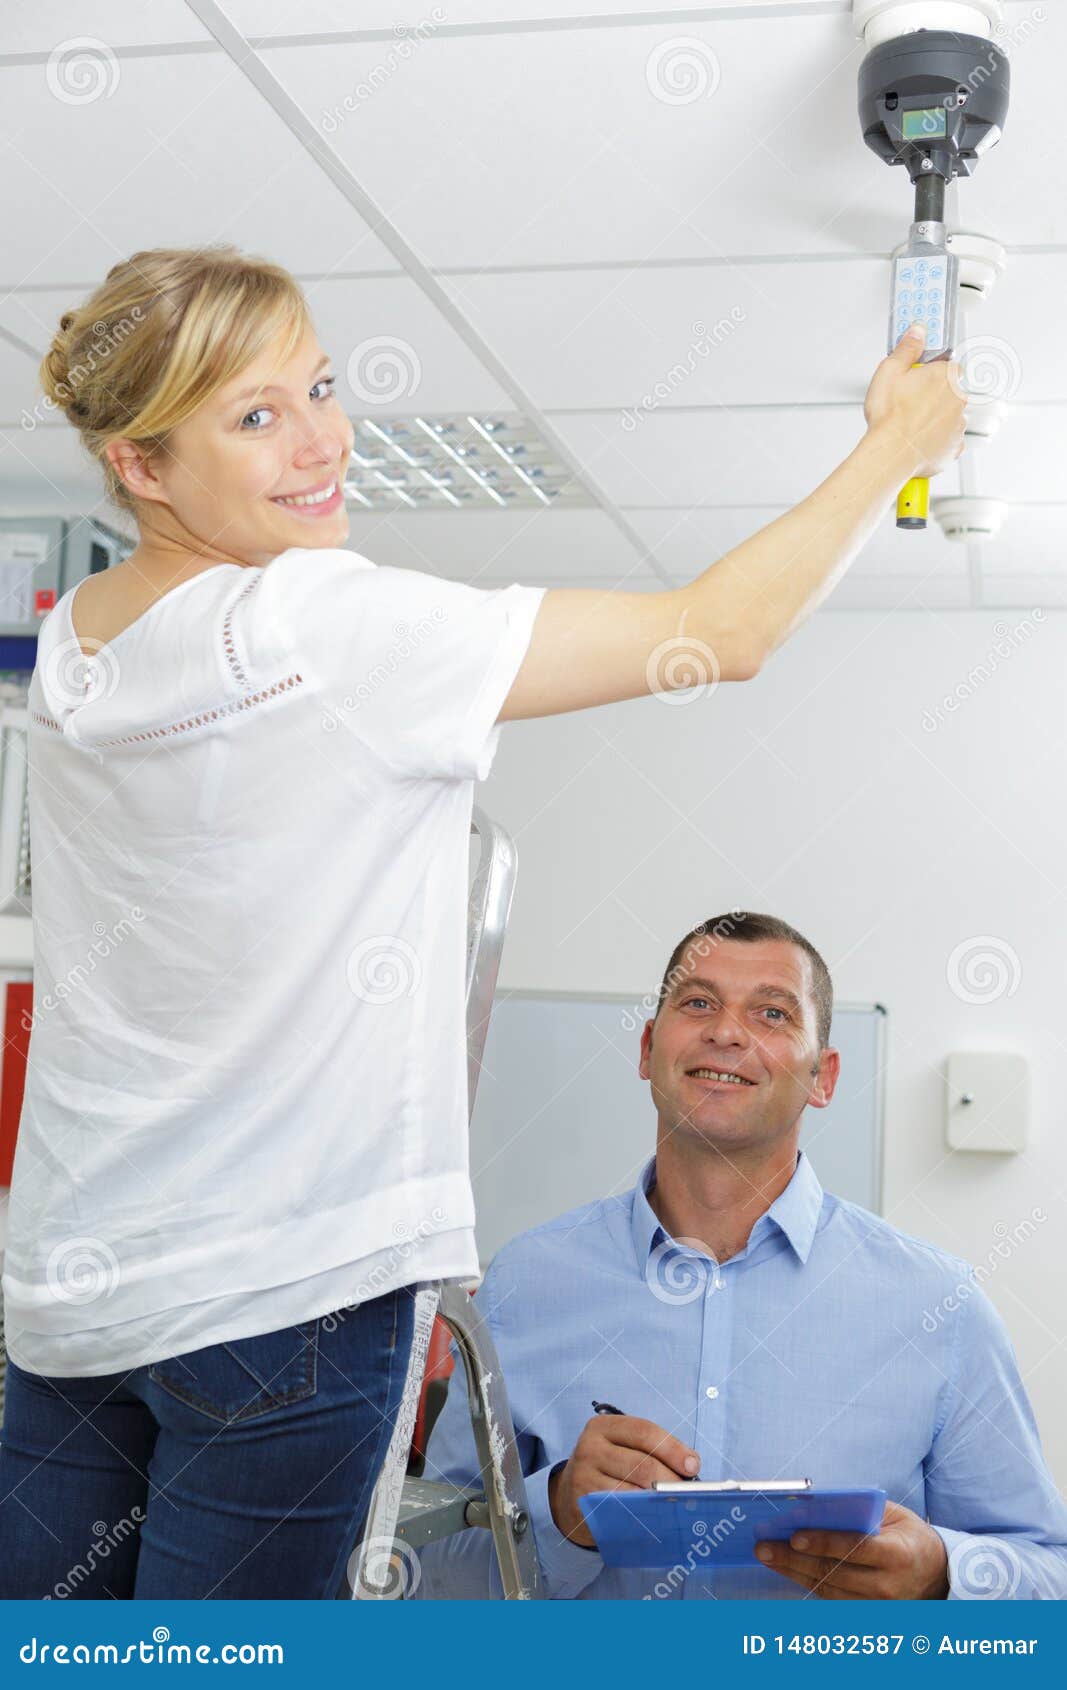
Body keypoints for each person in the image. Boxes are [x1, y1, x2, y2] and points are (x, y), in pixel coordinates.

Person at [0, 243, 965, 1601]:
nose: (323, 439)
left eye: (319, 386)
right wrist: (895, 442)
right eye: (254, 416)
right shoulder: (316, 620)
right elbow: (719, 631)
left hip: (71, 1290)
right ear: (142, 469)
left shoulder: (74, 641)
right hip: (281, 1295)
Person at [415, 913, 1067, 1601]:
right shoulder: (524, 1285)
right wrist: (559, 1511)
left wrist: (941, 1572)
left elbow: (1047, 1580)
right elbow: (428, 1583)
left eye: (771, 1013)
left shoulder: (941, 1306)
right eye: (696, 1002)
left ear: (823, 1078)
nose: (725, 1031)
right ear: (645, 1048)